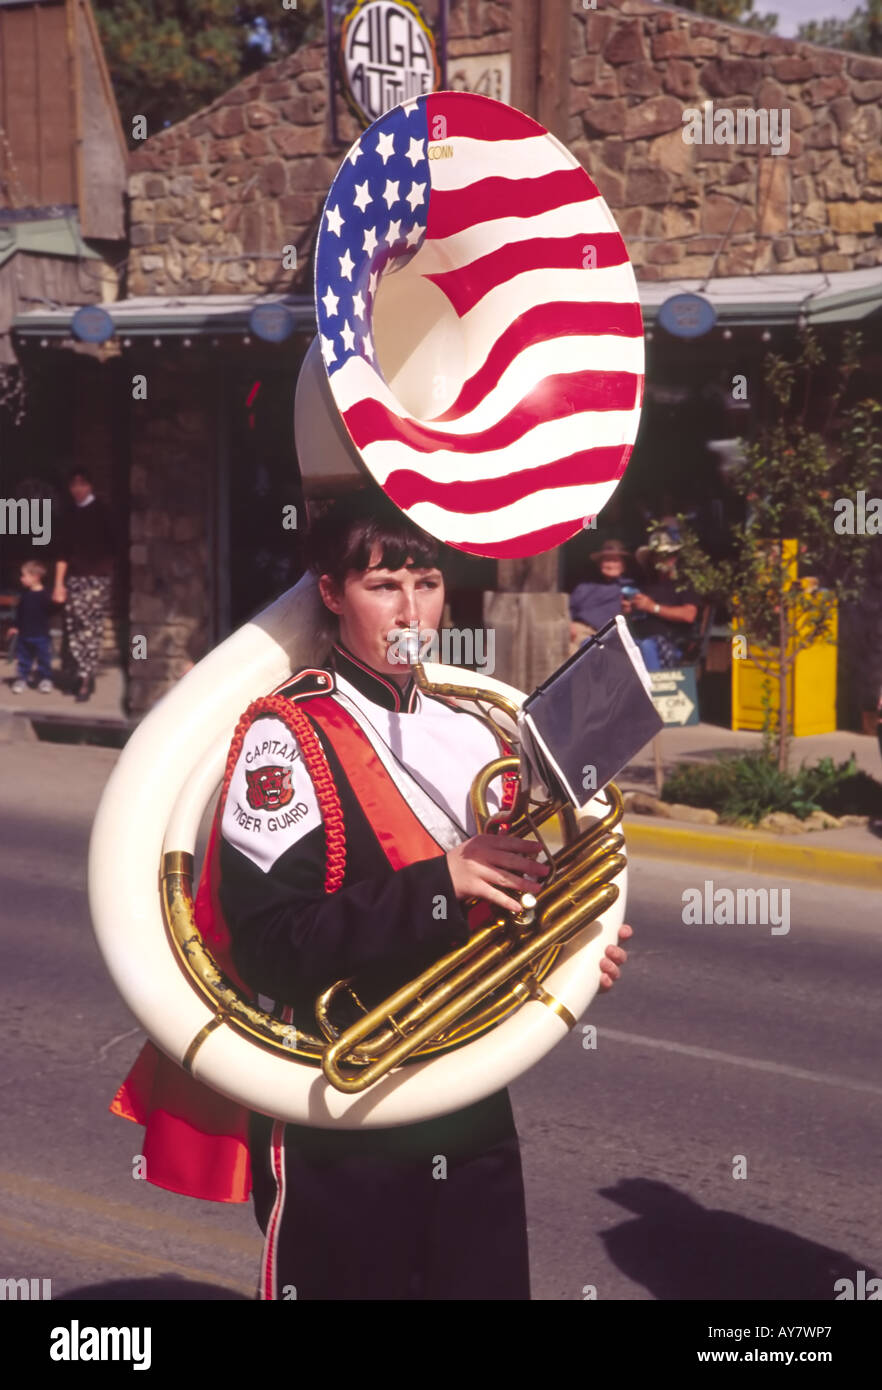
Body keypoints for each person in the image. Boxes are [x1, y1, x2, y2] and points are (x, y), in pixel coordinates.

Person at [111, 492, 633, 1302]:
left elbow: (514, 904)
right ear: (329, 593)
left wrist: (567, 944)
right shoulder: (287, 737)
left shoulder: (479, 729)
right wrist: (439, 883)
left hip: (466, 1086)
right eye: (383, 585)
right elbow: (272, 948)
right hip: (340, 1098)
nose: (411, 610)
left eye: (426, 583)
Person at [52, 469, 116, 702]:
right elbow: (62, 552)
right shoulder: (68, 515)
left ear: (90, 485)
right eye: (73, 485)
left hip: (96, 578)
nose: (77, 489)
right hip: (75, 578)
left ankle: (86, 679)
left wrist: (106, 572)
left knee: (90, 628)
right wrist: (59, 584)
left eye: (82, 484)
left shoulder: (103, 512)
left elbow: (115, 546)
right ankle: (81, 673)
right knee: (75, 627)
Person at [624, 520, 699, 672]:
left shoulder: (684, 583)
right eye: (661, 555)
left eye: (671, 554)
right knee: (621, 649)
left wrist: (653, 607)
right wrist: (630, 609)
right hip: (640, 639)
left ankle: (653, 694)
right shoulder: (646, 584)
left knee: (647, 646)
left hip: (671, 644)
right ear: (652, 558)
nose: (668, 559)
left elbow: (689, 615)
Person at [569, 539, 634, 653]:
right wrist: (569, 625)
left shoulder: (629, 588)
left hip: (608, 638)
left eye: (615, 561)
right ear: (600, 564)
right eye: (607, 560)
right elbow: (568, 609)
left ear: (623, 566)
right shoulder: (585, 586)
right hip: (581, 632)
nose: (610, 565)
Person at [8, 559, 53, 694]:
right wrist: (15, 626)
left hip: (41, 634)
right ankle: (22, 679)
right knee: (23, 658)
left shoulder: (46, 595)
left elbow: (53, 610)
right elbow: (20, 613)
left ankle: (45, 679)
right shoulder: (24, 595)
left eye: (24, 575)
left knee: (43, 658)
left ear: (35, 577)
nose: (21, 579)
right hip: (24, 634)